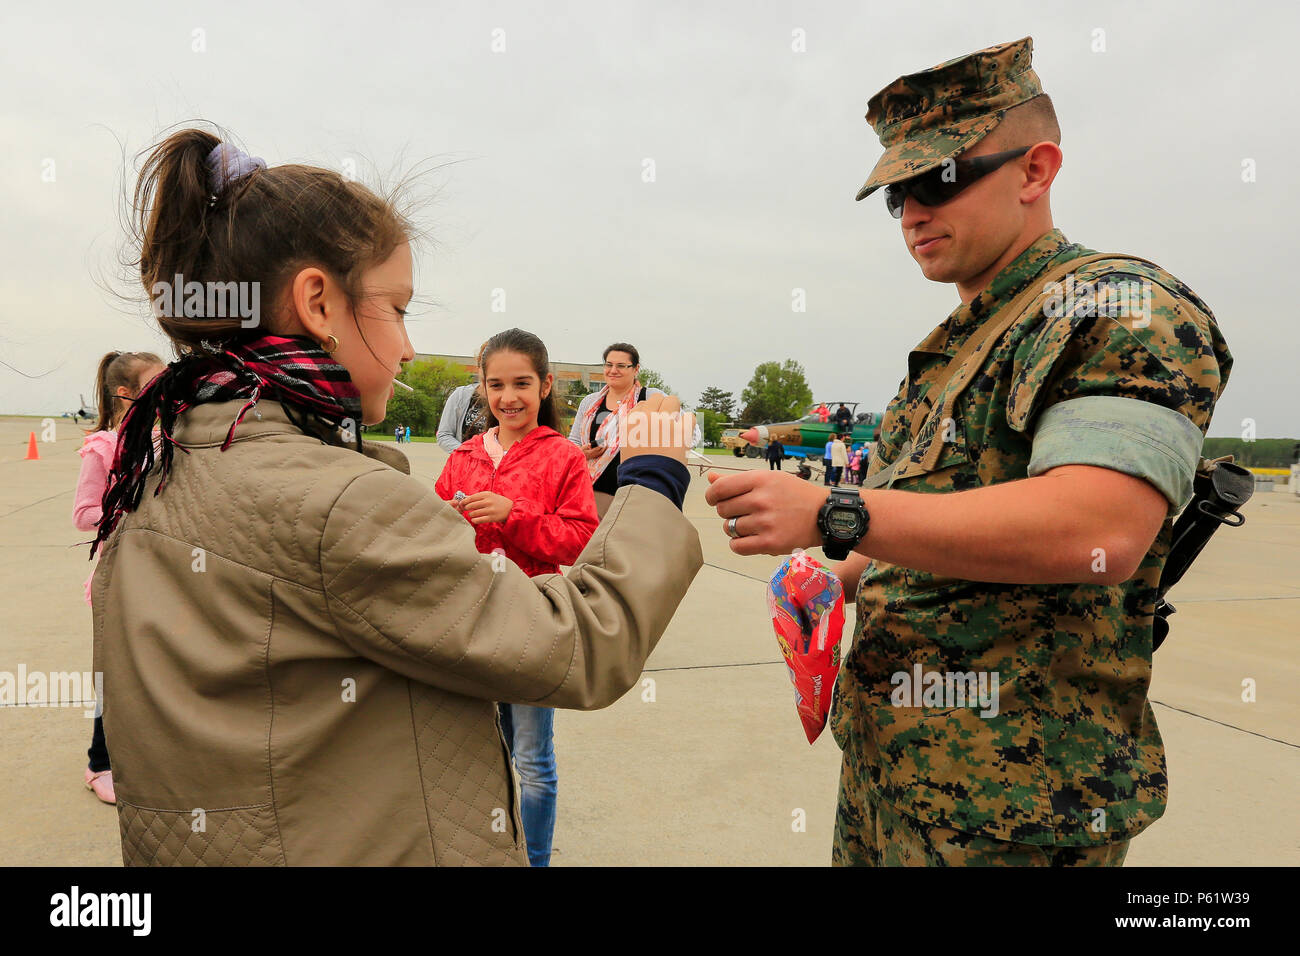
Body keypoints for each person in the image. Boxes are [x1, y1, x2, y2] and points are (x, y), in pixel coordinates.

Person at [90, 128, 702, 866]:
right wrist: (656, 479)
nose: (409, 347)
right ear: (318, 302)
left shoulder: (155, 465)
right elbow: (581, 643)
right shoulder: (335, 500)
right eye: (399, 309)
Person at [705, 38, 1231, 867]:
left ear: (1036, 170)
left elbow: (1097, 530)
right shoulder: (956, 346)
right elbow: (940, 524)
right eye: (895, 196)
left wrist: (838, 512)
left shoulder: (1120, 307)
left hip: (1015, 814)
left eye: (940, 179)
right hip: (893, 775)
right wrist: (839, 574)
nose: (913, 211)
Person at [434, 329, 597, 866]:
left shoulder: (563, 457)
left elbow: (578, 539)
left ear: (545, 385)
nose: (509, 396)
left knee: (531, 756)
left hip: (530, 621)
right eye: (496, 384)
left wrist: (514, 515)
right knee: (482, 752)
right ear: (481, 388)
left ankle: (537, 860)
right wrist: (452, 523)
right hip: (471, 621)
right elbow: (433, 529)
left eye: (522, 383)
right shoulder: (462, 457)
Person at [71, 350, 167, 805]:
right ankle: (99, 763)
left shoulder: (167, 439)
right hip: (120, 578)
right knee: (115, 677)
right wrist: (131, 508)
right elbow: (84, 515)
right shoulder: (104, 447)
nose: (168, 387)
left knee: (156, 674)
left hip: (163, 576)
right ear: (126, 393)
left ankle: (145, 758)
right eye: (157, 380)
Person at [569, 343, 663, 518]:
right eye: (609, 364)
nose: (613, 370)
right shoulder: (590, 402)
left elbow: (687, 431)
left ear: (636, 369)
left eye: (621, 366)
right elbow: (573, 442)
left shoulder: (650, 397)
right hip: (590, 493)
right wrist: (581, 453)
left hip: (633, 495)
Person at [437, 353, 489, 453]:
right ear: (478, 367)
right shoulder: (460, 395)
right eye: (484, 366)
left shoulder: (506, 398)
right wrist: (469, 453)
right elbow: (444, 435)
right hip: (465, 463)